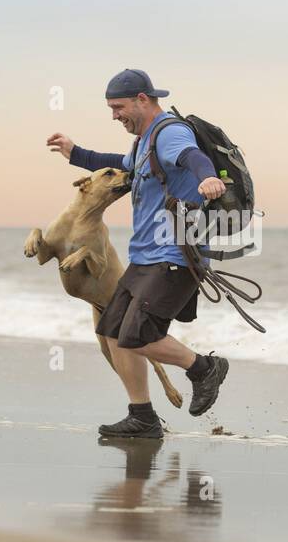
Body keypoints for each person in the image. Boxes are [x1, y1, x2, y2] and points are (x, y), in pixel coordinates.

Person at [45, 68, 230, 438]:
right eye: (111, 108)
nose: (115, 115)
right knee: (112, 330)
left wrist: (208, 177)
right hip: (145, 257)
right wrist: (75, 152)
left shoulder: (171, 132)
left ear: (142, 100)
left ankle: (204, 368)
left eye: (119, 107)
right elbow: (120, 164)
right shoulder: (143, 143)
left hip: (174, 256)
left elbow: (192, 157)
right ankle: (142, 416)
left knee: (140, 335)